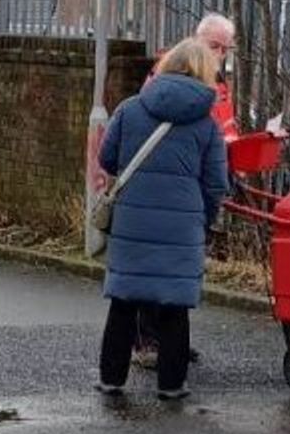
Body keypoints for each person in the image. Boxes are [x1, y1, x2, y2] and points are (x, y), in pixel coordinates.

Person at [96, 39, 228, 400]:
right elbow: (216, 184)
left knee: (123, 302)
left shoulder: (130, 108)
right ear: (205, 73)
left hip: (132, 223)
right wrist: (203, 220)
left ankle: (111, 380)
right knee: (174, 308)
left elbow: (107, 159)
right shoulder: (207, 125)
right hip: (182, 228)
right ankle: (171, 385)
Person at [133, 12, 238, 367]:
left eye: (225, 48)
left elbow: (225, 131)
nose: (220, 53)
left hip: (193, 185)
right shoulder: (168, 76)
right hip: (174, 184)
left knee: (180, 270)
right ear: (197, 41)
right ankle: (148, 340)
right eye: (214, 46)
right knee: (156, 269)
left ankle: (173, 341)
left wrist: (232, 162)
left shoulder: (218, 83)